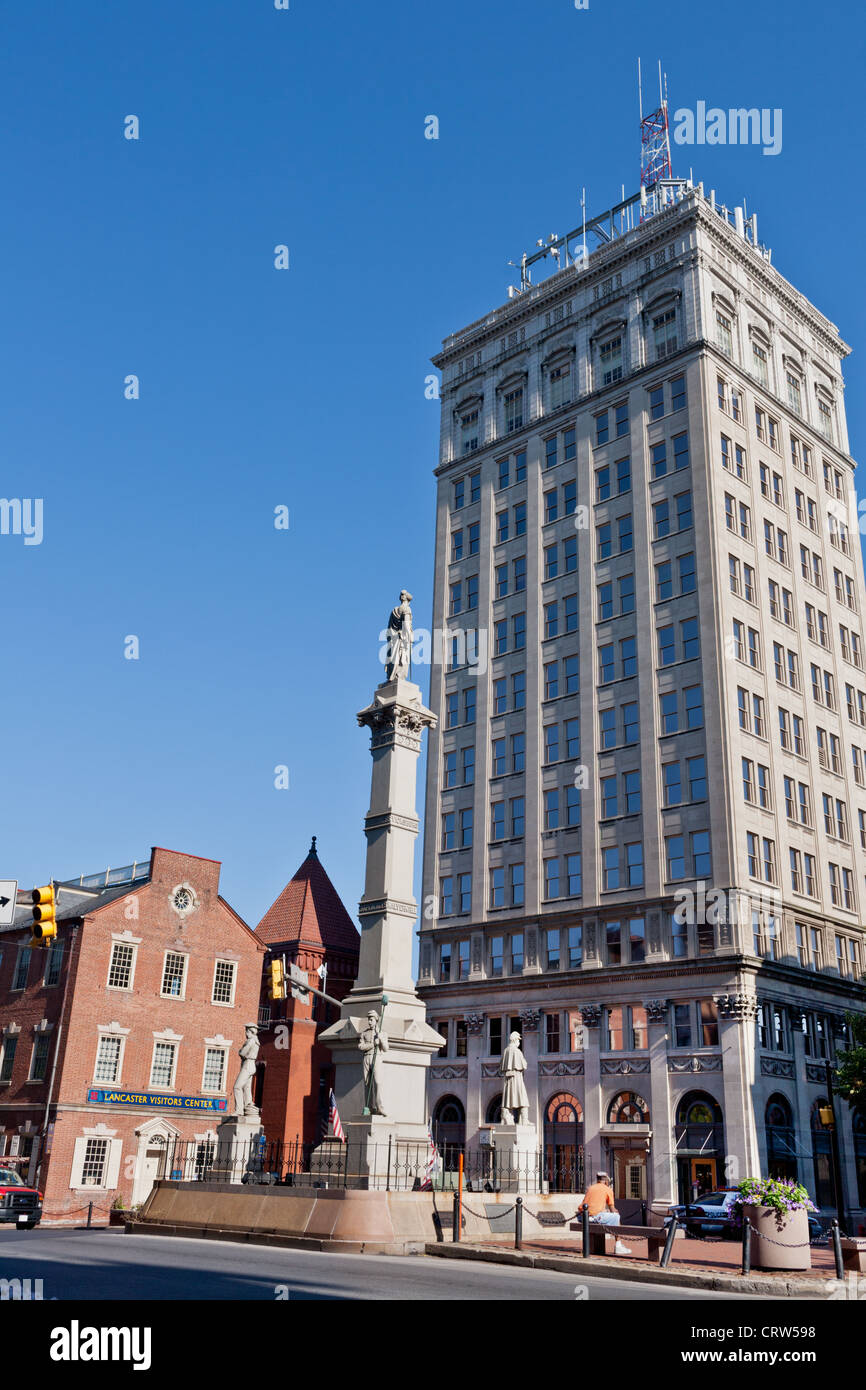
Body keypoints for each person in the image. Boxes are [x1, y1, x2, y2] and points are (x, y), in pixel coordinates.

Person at [580, 1171, 632, 1255]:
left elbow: (589, 1205)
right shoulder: (607, 1189)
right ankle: (618, 1245)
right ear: (606, 1181)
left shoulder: (591, 1188)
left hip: (584, 1217)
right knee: (616, 1216)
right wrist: (615, 1211)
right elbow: (612, 1209)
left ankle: (589, 1247)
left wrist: (604, 1211)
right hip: (595, 1217)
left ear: (598, 1180)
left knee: (608, 1215)